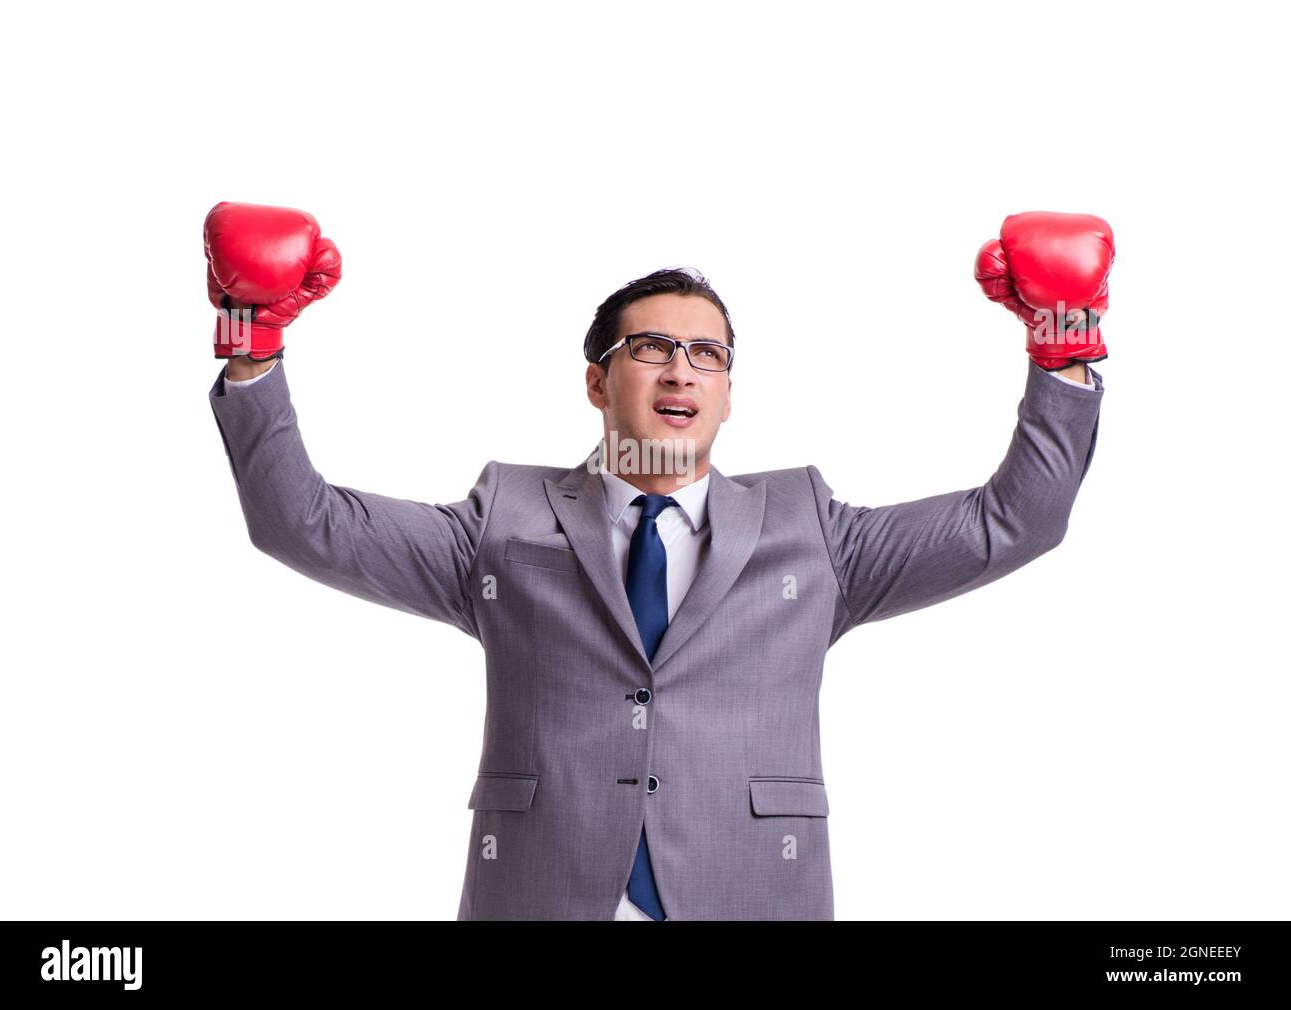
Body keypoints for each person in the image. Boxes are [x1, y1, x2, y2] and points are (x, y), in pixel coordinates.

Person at [205, 201, 1110, 920]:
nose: (681, 371)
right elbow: (305, 523)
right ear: (598, 381)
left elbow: (1013, 522)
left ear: (727, 393)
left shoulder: (815, 532)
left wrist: (1060, 345)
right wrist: (254, 345)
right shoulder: (503, 521)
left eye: (706, 356)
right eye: (651, 349)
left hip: (754, 896)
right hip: (540, 899)